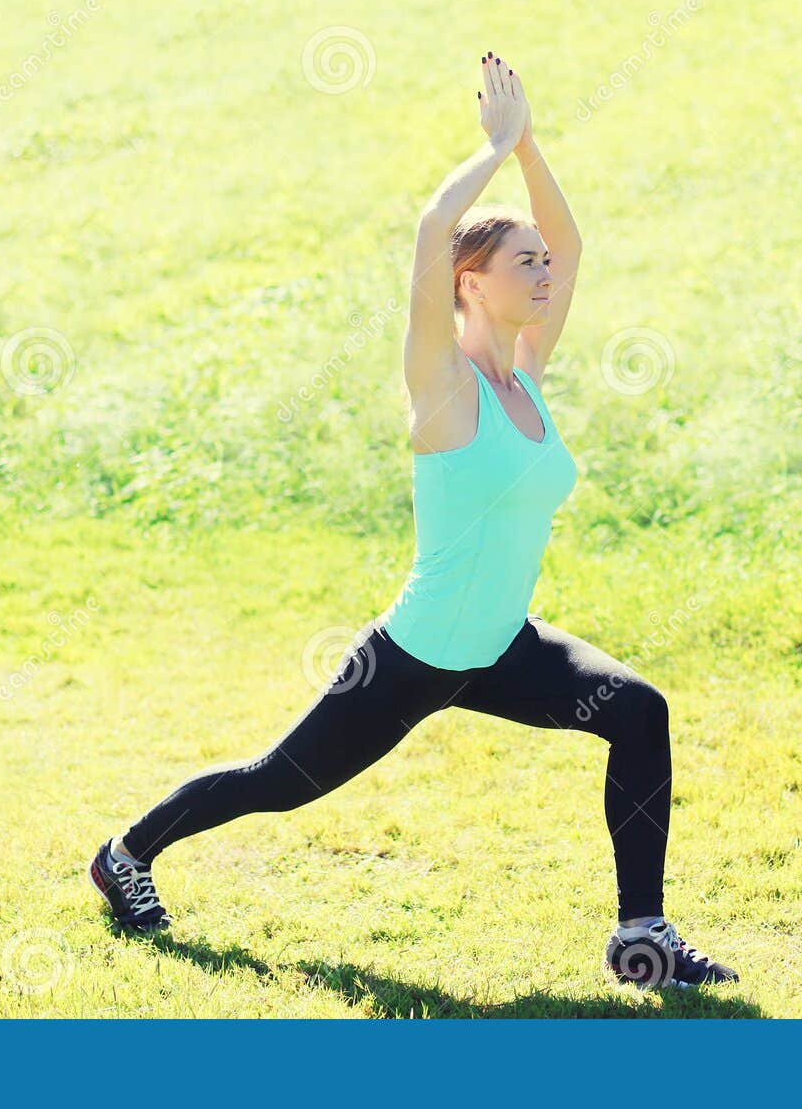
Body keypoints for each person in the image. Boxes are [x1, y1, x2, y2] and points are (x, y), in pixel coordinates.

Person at [90, 51, 736, 989]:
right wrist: (495, 149)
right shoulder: (442, 387)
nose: (548, 273)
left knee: (638, 714)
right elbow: (436, 226)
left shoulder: (527, 379)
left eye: (544, 264)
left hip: (503, 648)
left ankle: (644, 937)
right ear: (471, 282)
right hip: (416, 656)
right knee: (281, 782)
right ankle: (127, 853)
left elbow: (576, 242)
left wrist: (533, 145)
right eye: (527, 264)